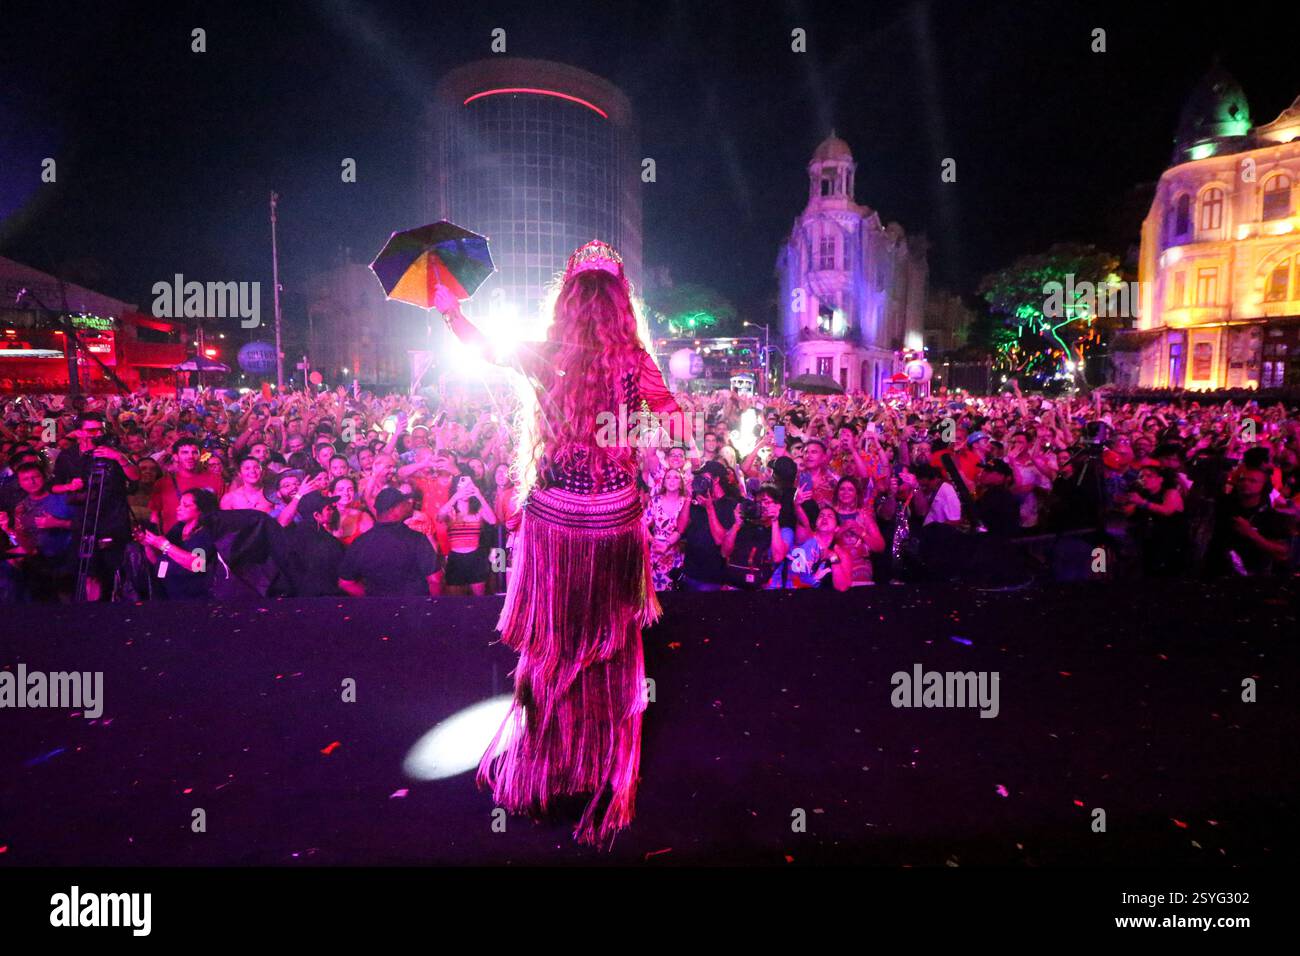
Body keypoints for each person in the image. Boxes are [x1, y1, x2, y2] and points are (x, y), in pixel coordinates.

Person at [437, 239, 681, 846]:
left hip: (554, 523)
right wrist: (621, 430)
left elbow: (486, 349)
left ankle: (545, 771)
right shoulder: (635, 360)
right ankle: (601, 769)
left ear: (567, 299)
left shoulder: (549, 354)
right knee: (610, 647)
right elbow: (674, 421)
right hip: (614, 521)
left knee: (553, 642)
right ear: (621, 301)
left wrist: (452, 313)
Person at [337, 487, 442, 596]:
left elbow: (345, 583)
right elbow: (435, 580)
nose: (409, 504)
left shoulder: (361, 542)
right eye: (404, 502)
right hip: (411, 609)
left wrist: (371, 598)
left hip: (378, 610)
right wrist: (429, 606)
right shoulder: (416, 539)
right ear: (394, 509)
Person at [136, 488, 220, 600]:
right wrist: (147, 544)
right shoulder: (179, 528)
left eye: (186, 505)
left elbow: (197, 565)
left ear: (201, 509)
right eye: (179, 504)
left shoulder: (206, 533)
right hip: (167, 594)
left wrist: (165, 545)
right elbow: (159, 560)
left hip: (193, 599)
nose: (178, 508)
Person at [437, 468, 497, 596]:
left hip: (475, 558)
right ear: (457, 487)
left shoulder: (477, 511)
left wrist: (478, 495)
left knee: (479, 601)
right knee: (456, 602)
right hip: (456, 559)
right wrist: (456, 496)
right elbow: (440, 516)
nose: (465, 490)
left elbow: (492, 521)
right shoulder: (451, 511)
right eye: (462, 486)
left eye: (468, 487)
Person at [279, 489, 345, 596]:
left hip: (298, 596)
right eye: (328, 509)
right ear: (316, 515)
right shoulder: (330, 543)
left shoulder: (294, 535)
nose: (333, 511)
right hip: (326, 597)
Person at [644, 466, 687, 590]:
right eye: (668, 477)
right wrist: (652, 540)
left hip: (677, 555)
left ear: (681, 483)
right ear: (663, 482)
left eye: (676, 477)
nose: (672, 480)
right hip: (656, 554)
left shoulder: (685, 503)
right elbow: (643, 524)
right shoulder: (655, 501)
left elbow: (685, 530)